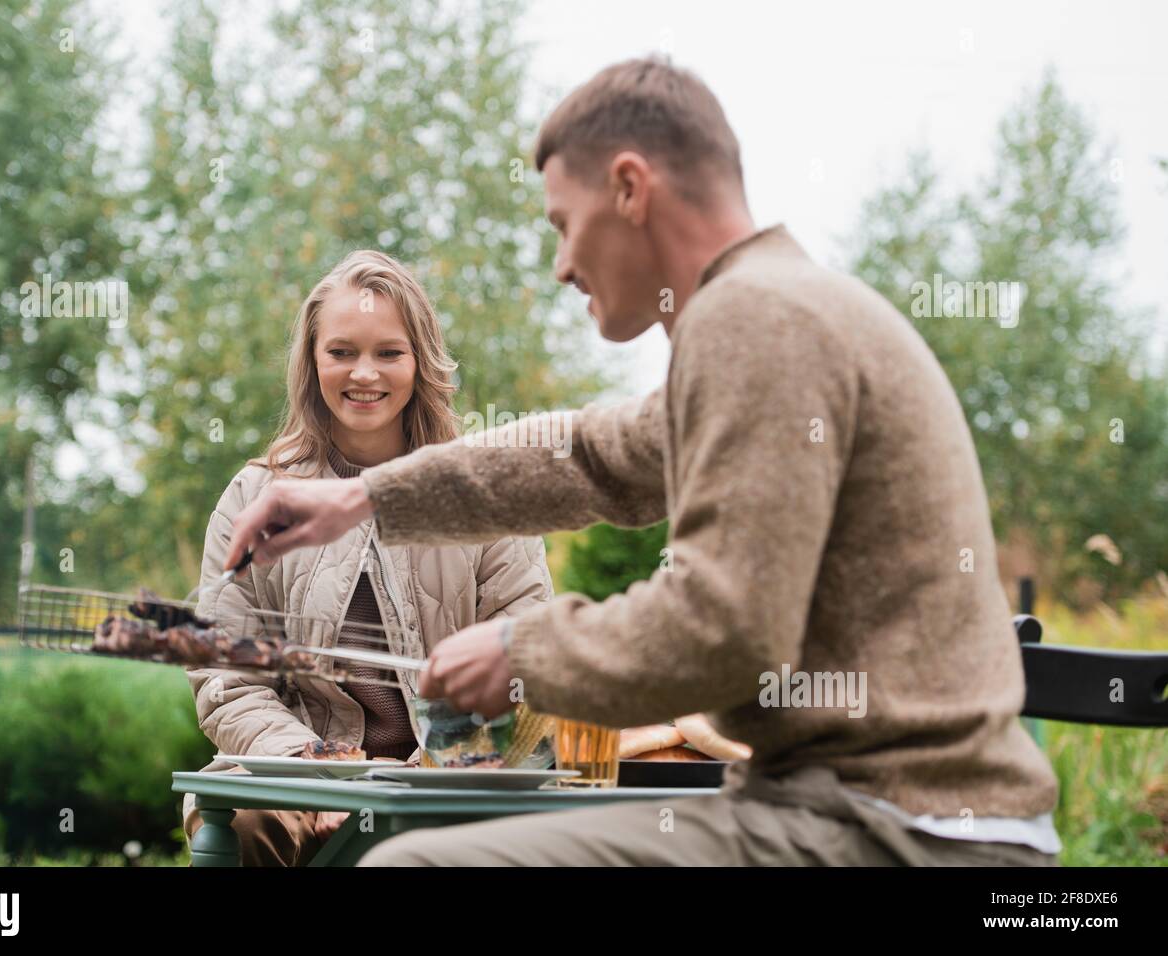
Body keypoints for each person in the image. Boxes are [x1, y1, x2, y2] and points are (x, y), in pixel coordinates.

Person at [221, 59, 1060, 866]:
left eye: (562, 222)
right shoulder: (774, 307)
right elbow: (588, 460)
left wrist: (520, 652)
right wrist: (363, 498)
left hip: (902, 830)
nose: (561, 265)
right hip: (860, 810)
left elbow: (724, 630)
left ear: (629, 188)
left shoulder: (757, 321)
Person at [181, 250, 552, 866]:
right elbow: (227, 680)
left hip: (448, 775)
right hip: (293, 771)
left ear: (420, 361)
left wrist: (412, 779)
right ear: (313, 362)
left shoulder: (489, 495)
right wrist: (317, 771)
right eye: (342, 351)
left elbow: (523, 667)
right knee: (245, 823)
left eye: (388, 352)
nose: (365, 374)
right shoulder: (253, 495)